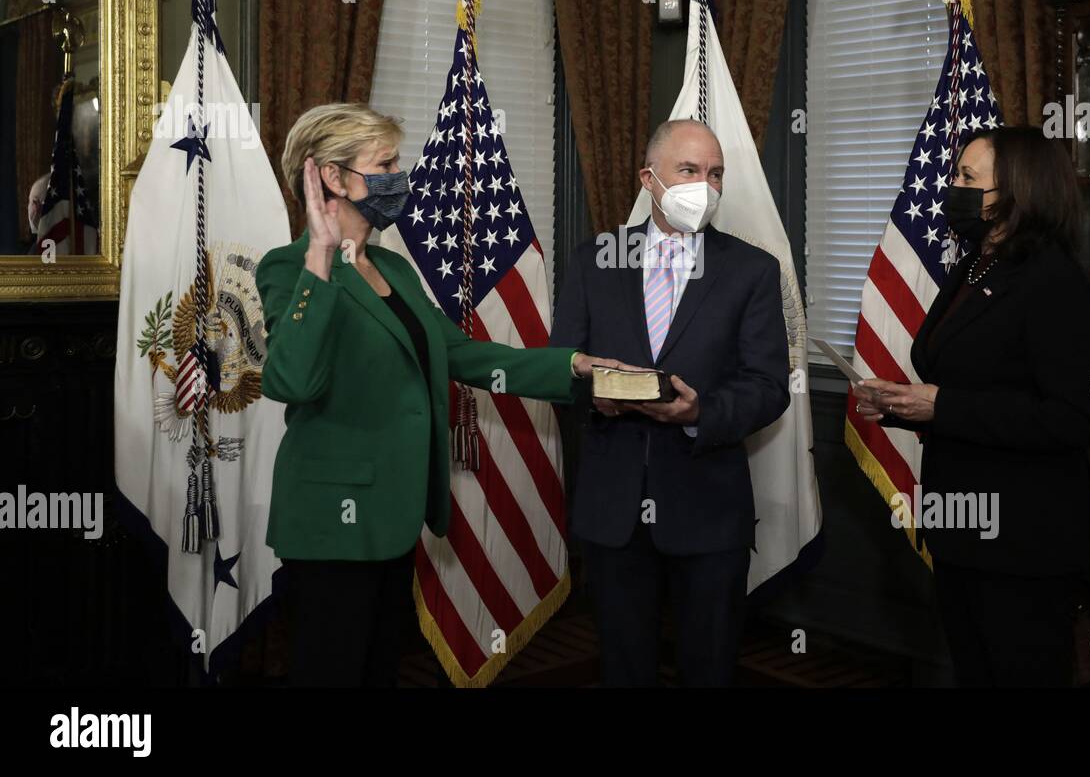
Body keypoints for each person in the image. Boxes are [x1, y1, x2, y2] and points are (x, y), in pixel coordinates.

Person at [256, 102, 625, 686]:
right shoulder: (287, 269)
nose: (398, 177)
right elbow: (291, 381)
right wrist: (320, 256)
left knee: (376, 669)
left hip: (395, 514)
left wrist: (573, 366)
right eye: (385, 163)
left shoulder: (394, 269)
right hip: (332, 522)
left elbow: (461, 354)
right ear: (332, 176)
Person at [852, 126, 1090, 687]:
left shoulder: (1052, 281)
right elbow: (957, 380)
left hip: (1022, 538)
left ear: (1018, 190)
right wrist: (897, 406)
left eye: (969, 177)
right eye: (956, 174)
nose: (952, 185)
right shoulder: (975, 265)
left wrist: (942, 407)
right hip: (960, 523)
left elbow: (1068, 418)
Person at [550, 118, 791, 687]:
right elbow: (562, 365)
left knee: (709, 666)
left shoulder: (752, 269)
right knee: (623, 665)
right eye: (688, 171)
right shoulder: (594, 260)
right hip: (614, 508)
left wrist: (699, 413)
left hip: (708, 507)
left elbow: (768, 385)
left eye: (715, 174)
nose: (703, 186)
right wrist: (597, 398)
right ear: (649, 178)